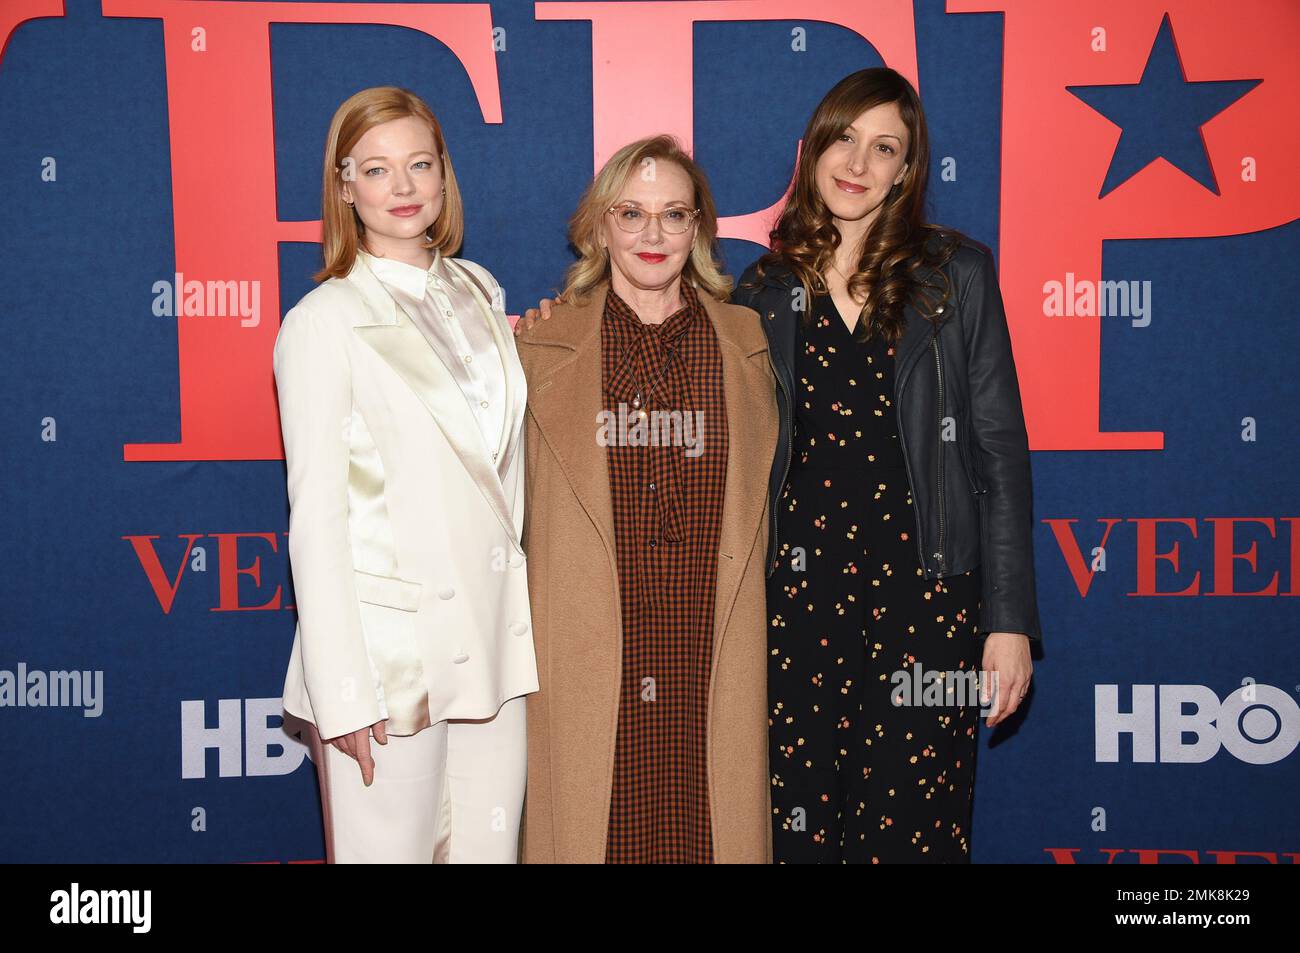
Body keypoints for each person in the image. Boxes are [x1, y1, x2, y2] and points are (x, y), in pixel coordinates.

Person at [519, 68, 1041, 864]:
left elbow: (999, 455)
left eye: (885, 148)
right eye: (844, 138)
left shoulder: (955, 278)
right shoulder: (766, 292)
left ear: (907, 170)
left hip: (927, 602)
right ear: (812, 150)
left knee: (915, 837)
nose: (859, 163)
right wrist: (557, 315)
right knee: (795, 831)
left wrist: (1009, 621)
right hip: (797, 604)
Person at [273, 86, 537, 863]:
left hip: (493, 648)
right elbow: (315, 516)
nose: (403, 188)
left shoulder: (479, 291)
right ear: (344, 184)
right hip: (390, 664)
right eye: (377, 170)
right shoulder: (321, 323)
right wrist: (343, 693)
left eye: (420, 164)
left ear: (444, 174)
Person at [514, 135, 778, 863]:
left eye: (673, 214)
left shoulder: (751, 343)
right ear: (599, 225)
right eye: (631, 213)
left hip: (708, 657)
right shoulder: (536, 351)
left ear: (699, 227)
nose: (652, 235)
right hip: (590, 663)